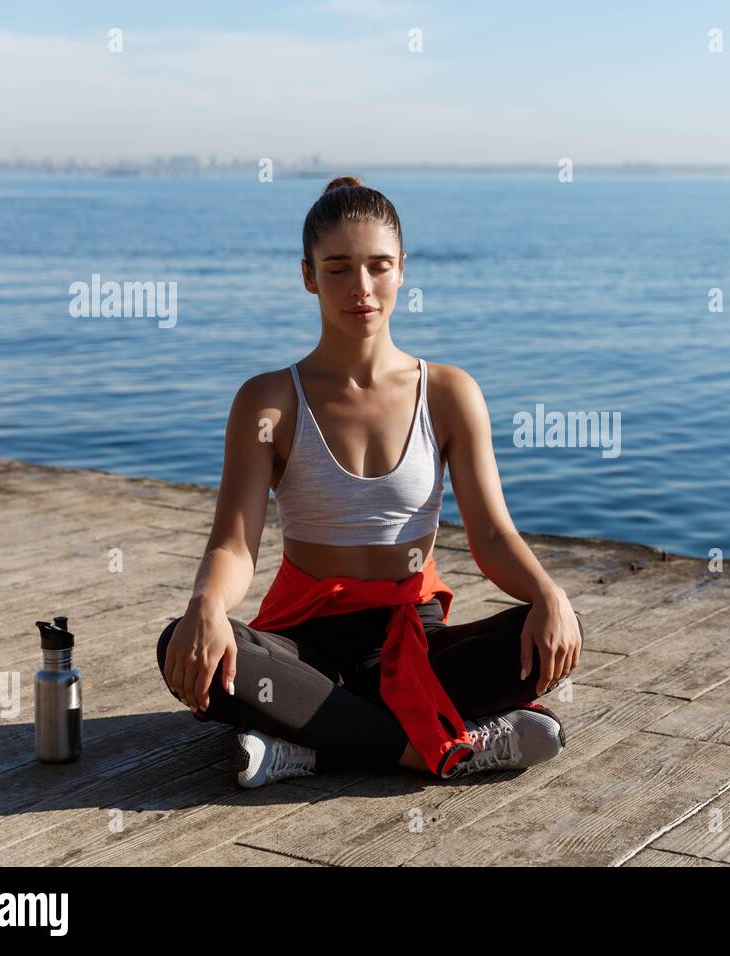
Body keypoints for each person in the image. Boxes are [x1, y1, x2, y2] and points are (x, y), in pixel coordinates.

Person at [157, 175, 584, 787]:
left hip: (414, 645)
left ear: (402, 270)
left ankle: (311, 745)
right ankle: (435, 747)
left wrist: (548, 593)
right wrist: (206, 606)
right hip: (303, 649)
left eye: (378, 266)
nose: (361, 288)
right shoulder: (269, 401)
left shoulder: (449, 394)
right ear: (307, 275)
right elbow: (234, 544)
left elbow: (491, 534)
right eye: (338, 268)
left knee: (548, 634)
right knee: (181, 644)